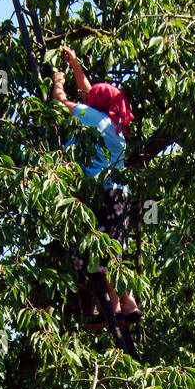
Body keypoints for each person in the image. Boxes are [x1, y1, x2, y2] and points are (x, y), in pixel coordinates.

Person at [51, 47, 142, 326]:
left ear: (96, 105)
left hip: (101, 194)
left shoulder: (92, 118)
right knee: (114, 250)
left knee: (94, 251)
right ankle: (127, 304)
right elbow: (91, 92)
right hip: (121, 197)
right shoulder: (114, 125)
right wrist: (75, 62)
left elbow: (59, 102)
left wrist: (58, 79)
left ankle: (114, 306)